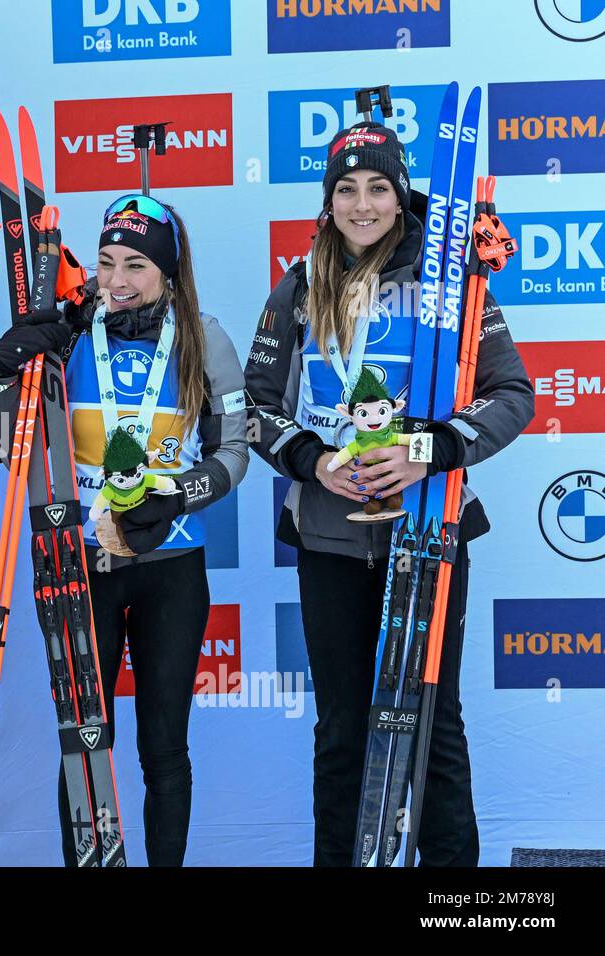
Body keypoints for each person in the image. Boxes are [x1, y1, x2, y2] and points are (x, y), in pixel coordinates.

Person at [244, 121, 533, 866]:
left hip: (428, 529)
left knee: (434, 719)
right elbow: (256, 406)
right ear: (329, 200)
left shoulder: (452, 282)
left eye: (378, 188)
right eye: (347, 189)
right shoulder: (300, 283)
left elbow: (511, 395)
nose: (363, 204)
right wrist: (314, 461)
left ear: (401, 197)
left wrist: (426, 450)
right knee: (342, 728)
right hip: (330, 536)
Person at [0, 195, 249, 866]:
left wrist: (175, 499)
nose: (118, 280)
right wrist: (0, 367)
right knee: (84, 742)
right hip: (79, 563)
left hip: (171, 566)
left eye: (136, 264)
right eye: (105, 263)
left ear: (169, 271)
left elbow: (234, 453)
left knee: (164, 748)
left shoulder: (204, 337)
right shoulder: (71, 332)